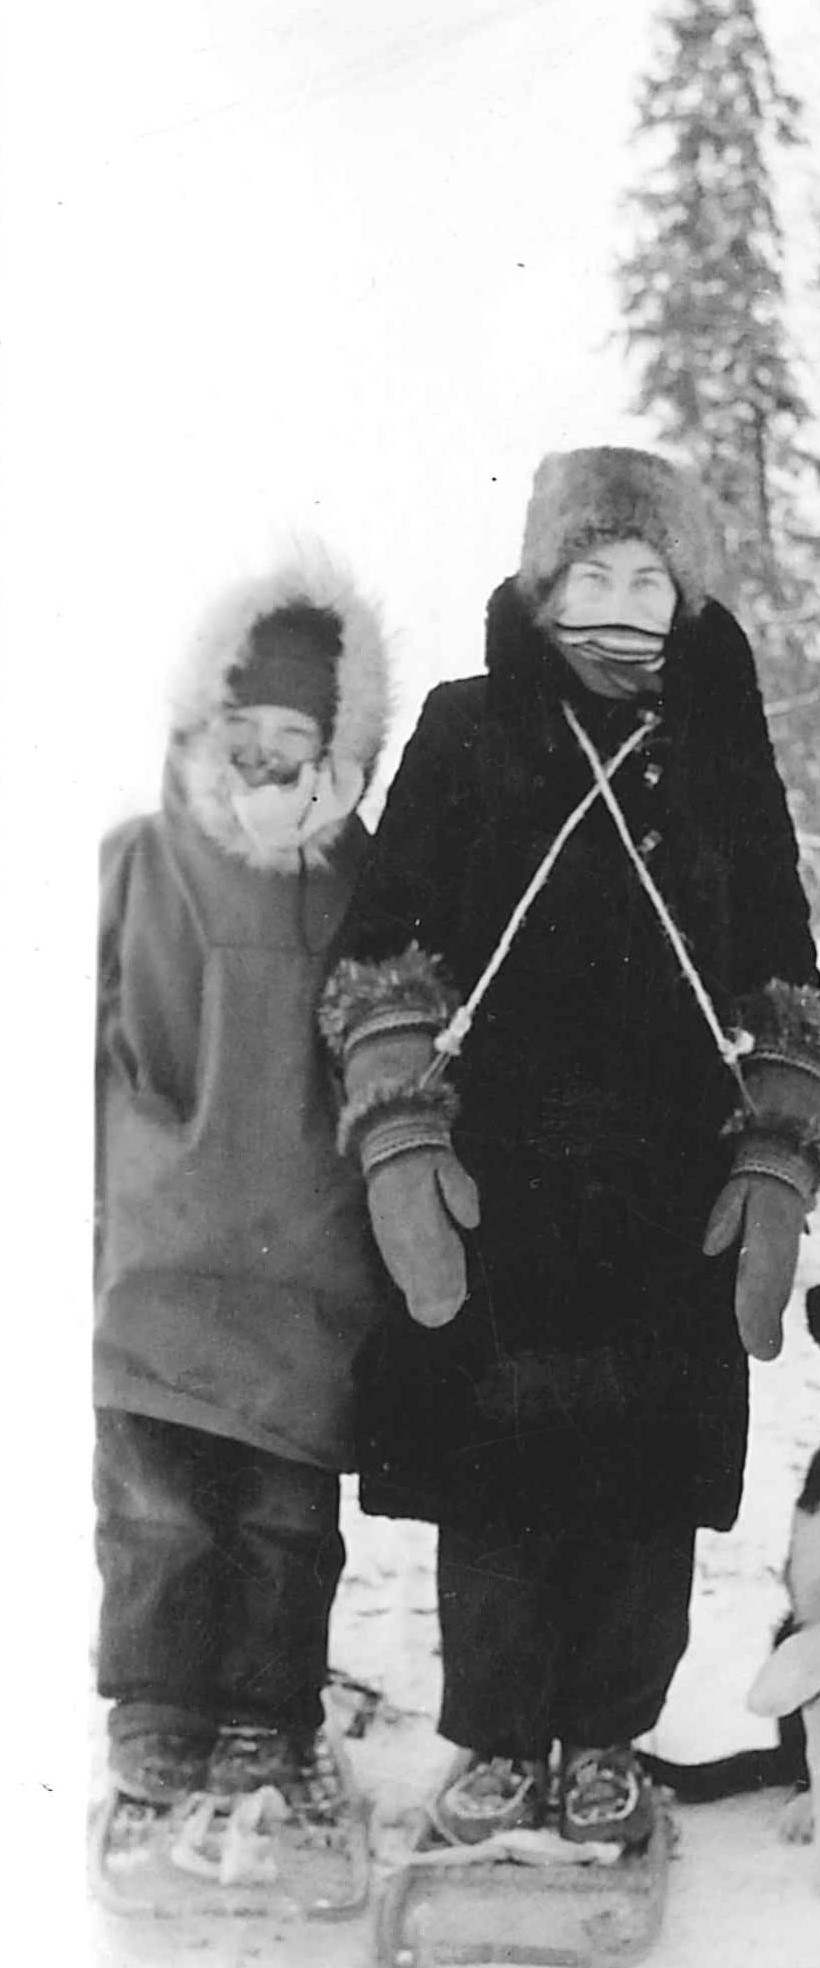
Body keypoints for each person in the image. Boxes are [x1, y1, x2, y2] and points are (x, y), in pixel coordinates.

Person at [320, 446, 820, 1849]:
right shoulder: (464, 727)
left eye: (649, 579)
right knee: (496, 1476)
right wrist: (396, 1133)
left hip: (671, 1179)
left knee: (641, 1480)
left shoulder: (725, 753)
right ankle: (497, 1739)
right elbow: (383, 948)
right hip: (499, 1169)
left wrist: (778, 1148)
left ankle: (607, 1732)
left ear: (686, 598)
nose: (620, 605)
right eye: (591, 576)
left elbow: (781, 969)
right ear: (540, 587)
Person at [94, 551, 391, 1809]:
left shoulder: (366, 887)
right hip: (157, 1258)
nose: (272, 762)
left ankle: (270, 1716)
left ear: (343, 751)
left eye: (301, 739)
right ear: (203, 728)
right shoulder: (137, 863)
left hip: (303, 1266)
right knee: (159, 1516)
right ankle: (159, 1710)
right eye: (249, 733)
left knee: (282, 1523)